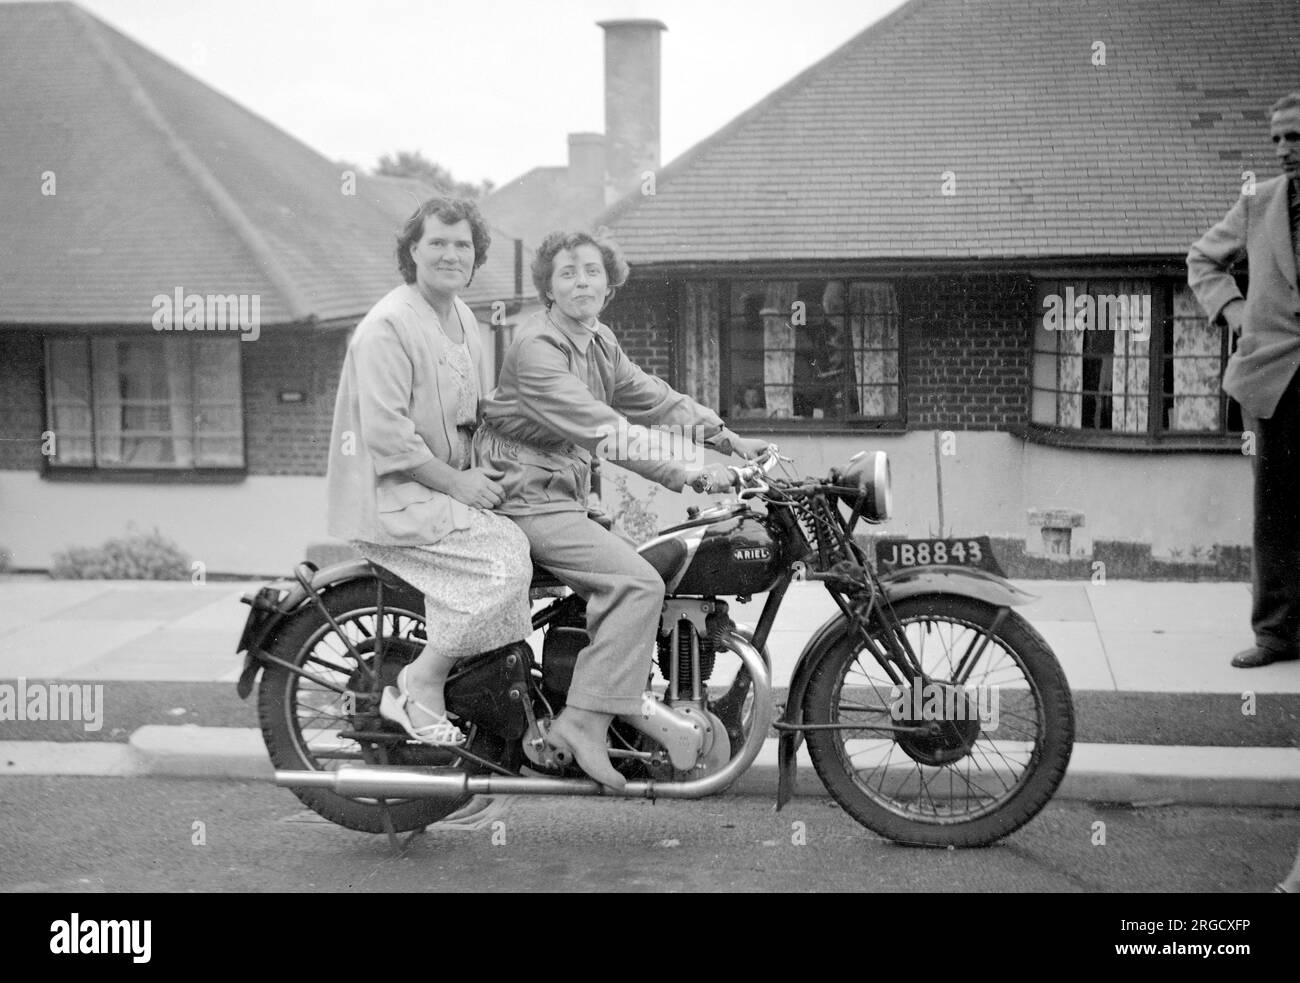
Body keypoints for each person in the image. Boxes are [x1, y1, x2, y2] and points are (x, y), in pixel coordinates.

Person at [475, 229, 768, 788]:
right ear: (549, 290)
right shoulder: (537, 347)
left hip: (560, 493)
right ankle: (583, 721)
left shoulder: (598, 341)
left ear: (609, 285)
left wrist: (728, 439)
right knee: (636, 584)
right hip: (524, 495)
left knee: (652, 567)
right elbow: (606, 431)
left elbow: (654, 399)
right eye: (567, 273)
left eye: (591, 271)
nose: (581, 280)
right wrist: (691, 473)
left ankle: (602, 703)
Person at [326, 196, 533, 742]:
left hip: (442, 488)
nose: (450, 254)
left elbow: (475, 411)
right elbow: (389, 437)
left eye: (462, 244)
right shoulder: (388, 326)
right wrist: (461, 484)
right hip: (395, 495)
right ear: (413, 250)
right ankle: (422, 680)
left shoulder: (461, 315)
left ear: (475, 255)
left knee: (537, 532)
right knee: (505, 559)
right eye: (437, 242)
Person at [1187, 92, 1300, 669]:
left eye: (1296, 138)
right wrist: (1234, 312)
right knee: (1275, 509)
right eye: (1277, 138)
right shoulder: (1260, 202)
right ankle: (1277, 635)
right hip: (1273, 377)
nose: (1284, 150)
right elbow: (1203, 258)